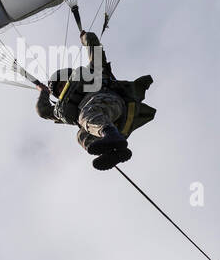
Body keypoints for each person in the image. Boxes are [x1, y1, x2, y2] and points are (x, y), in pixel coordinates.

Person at [36, 31, 156, 170]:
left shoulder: (94, 74)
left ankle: (111, 136)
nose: (63, 87)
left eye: (63, 82)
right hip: (111, 126)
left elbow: (95, 48)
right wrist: (43, 93)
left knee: (86, 114)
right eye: (59, 89)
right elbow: (43, 111)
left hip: (110, 103)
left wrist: (85, 38)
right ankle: (115, 152)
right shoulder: (63, 108)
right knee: (81, 136)